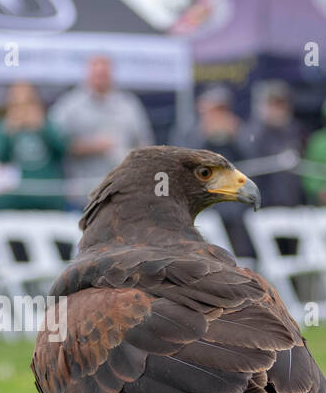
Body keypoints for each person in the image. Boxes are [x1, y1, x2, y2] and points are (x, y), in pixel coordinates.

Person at [49, 55, 153, 202]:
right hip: (83, 194)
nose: (101, 78)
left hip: (123, 193)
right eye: (97, 74)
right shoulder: (68, 106)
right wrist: (90, 146)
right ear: (87, 74)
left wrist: (133, 155)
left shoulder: (128, 104)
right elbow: (54, 144)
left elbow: (145, 143)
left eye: (104, 74)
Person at [172, 86, 252, 253]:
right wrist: (204, 136)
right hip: (202, 204)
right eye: (214, 108)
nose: (218, 114)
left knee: (240, 248)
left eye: (222, 109)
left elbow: (250, 157)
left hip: (233, 203)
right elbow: (184, 162)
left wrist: (237, 135)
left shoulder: (238, 128)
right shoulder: (189, 131)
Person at [0, 82, 69, 210]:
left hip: (47, 193)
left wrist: (43, 128)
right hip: (13, 196)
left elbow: (62, 151)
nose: (23, 109)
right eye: (17, 104)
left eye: (28, 102)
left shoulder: (48, 124)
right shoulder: (0, 127)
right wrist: (8, 132)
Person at [238, 80, 306, 208]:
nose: (277, 110)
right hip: (260, 205)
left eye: (281, 104)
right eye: (272, 104)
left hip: (290, 204)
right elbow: (248, 166)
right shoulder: (251, 133)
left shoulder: (294, 131)